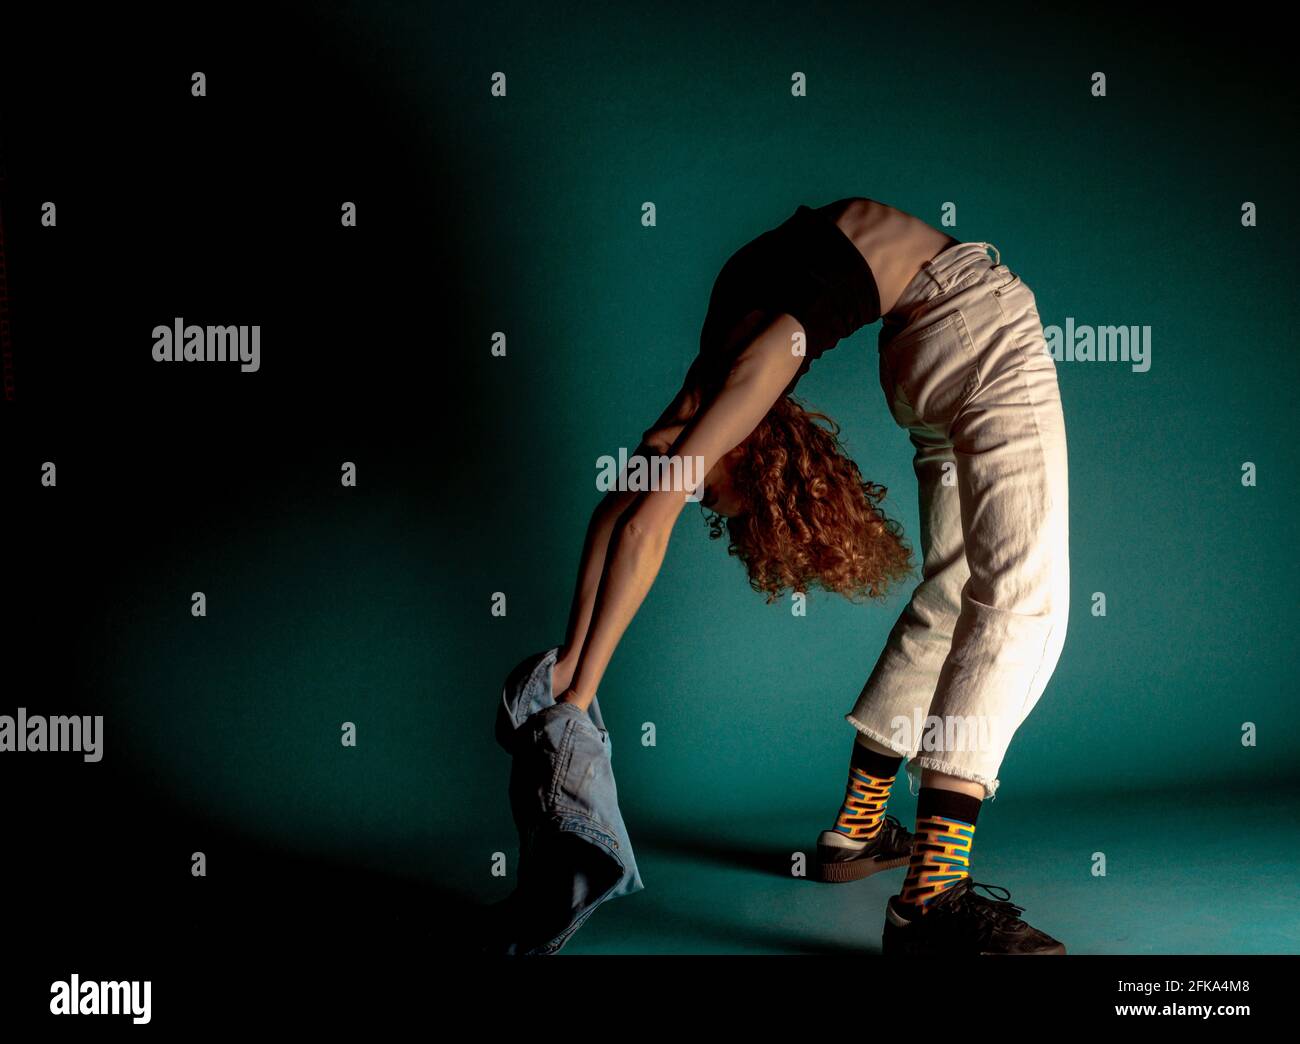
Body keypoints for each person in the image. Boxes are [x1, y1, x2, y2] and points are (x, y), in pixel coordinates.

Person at [547, 197, 1070, 956]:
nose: (691, 491)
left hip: (930, 349)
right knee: (1020, 597)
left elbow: (643, 522)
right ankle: (931, 898)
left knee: (962, 590)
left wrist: (581, 690)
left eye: (707, 490)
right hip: (967, 328)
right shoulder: (717, 382)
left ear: (746, 446)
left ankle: (858, 830)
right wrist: (575, 683)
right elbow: (623, 512)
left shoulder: (750, 370)